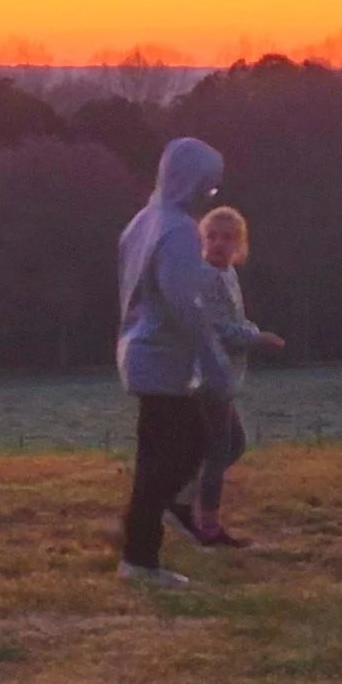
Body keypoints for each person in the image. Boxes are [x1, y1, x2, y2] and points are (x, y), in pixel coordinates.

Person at [114, 136, 232, 586]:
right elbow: (186, 305)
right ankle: (142, 552)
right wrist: (213, 361)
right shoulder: (179, 230)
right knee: (189, 447)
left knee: (156, 456)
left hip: (139, 350)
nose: (211, 196)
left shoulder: (143, 221)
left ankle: (141, 553)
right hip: (162, 355)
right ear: (192, 181)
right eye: (210, 186)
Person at [170, 204, 286, 548]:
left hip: (223, 376)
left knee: (230, 445)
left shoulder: (228, 275)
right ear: (202, 241)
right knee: (219, 450)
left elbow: (236, 320)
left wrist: (252, 331)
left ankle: (177, 499)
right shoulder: (206, 278)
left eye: (228, 237)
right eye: (212, 236)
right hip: (208, 378)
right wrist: (257, 338)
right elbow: (217, 329)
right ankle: (206, 526)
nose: (219, 243)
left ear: (240, 244)